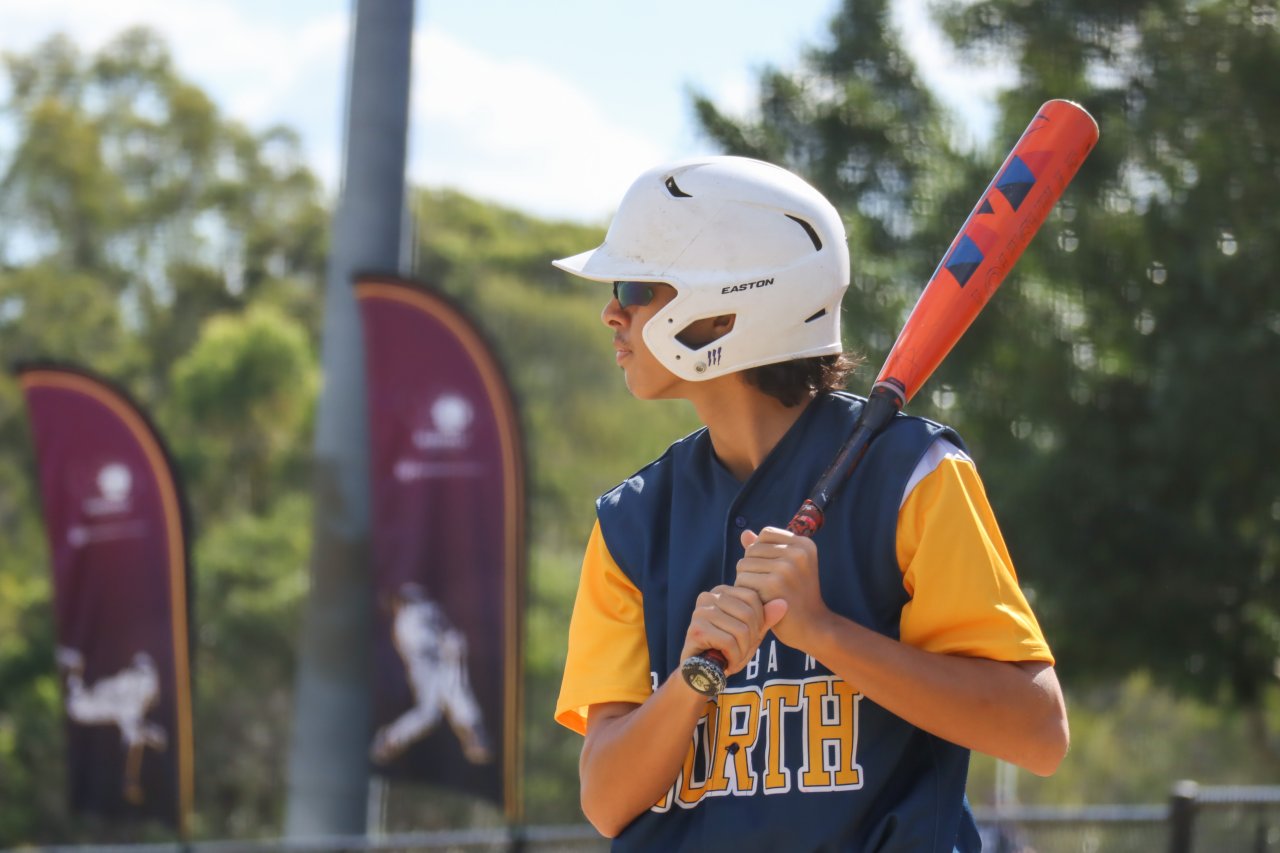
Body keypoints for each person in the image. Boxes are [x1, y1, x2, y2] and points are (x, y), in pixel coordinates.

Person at [552, 155, 1068, 852]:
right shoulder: (633, 520)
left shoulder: (912, 476)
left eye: (636, 287)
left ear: (726, 305)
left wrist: (824, 632)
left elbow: (1038, 732)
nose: (612, 312)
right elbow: (606, 801)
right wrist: (696, 674)